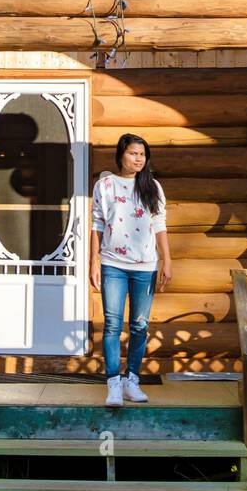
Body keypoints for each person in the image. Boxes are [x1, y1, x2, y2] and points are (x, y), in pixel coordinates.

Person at [90, 132, 171, 407]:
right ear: (121, 155)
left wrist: (166, 261)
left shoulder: (152, 187)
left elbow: (160, 225)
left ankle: (131, 381)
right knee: (112, 324)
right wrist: (94, 262)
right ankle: (113, 384)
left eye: (142, 154)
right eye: (133, 153)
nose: (138, 159)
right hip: (112, 263)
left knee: (139, 325)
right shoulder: (105, 185)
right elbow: (97, 224)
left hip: (145, 265)